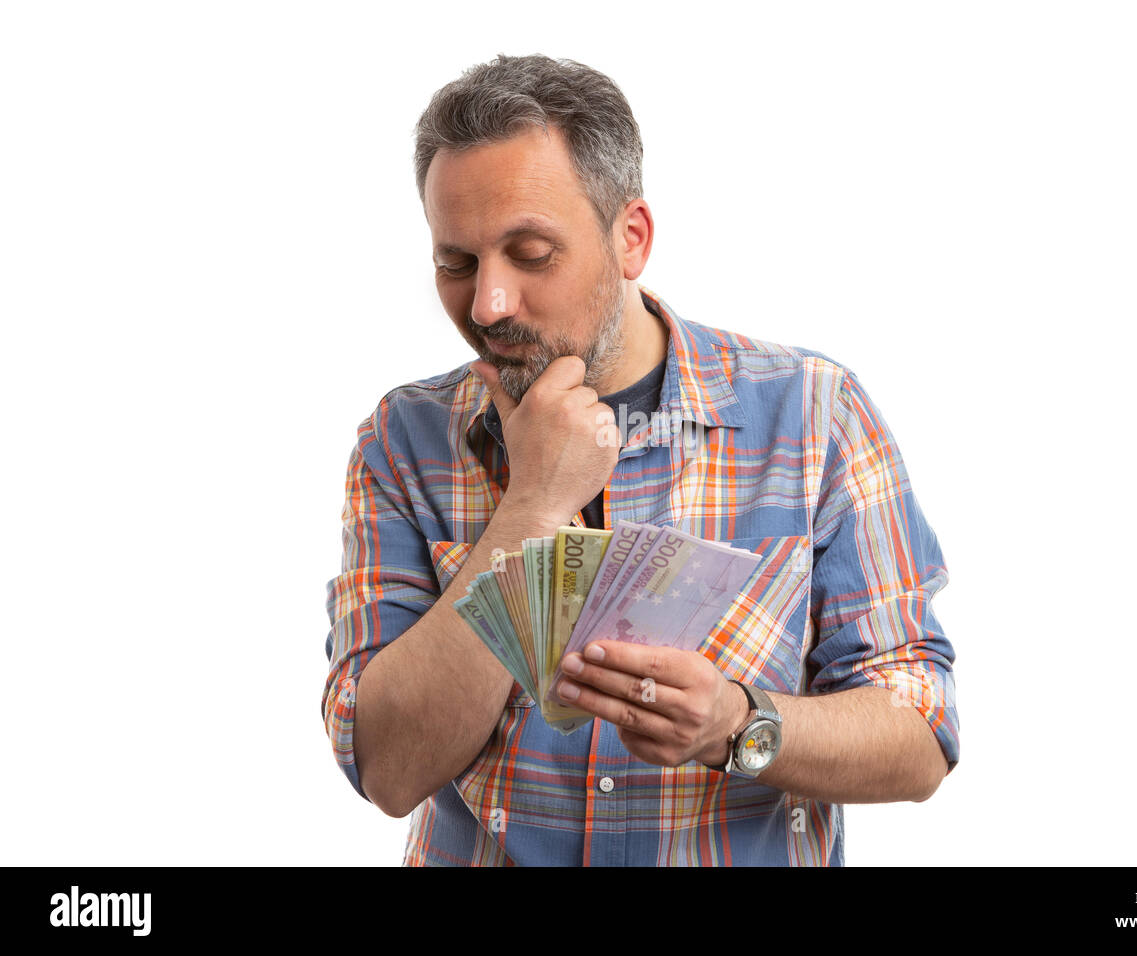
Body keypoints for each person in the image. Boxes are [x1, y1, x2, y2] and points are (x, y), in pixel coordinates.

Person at [321, 53, 959, 866]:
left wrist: (738, 723)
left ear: (631, 238)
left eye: (531, 252)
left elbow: (920, 729)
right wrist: (529, 512)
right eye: (457, 262)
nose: (488, 303)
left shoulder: (813, 413)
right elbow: (388, 769)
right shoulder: (402, 440)